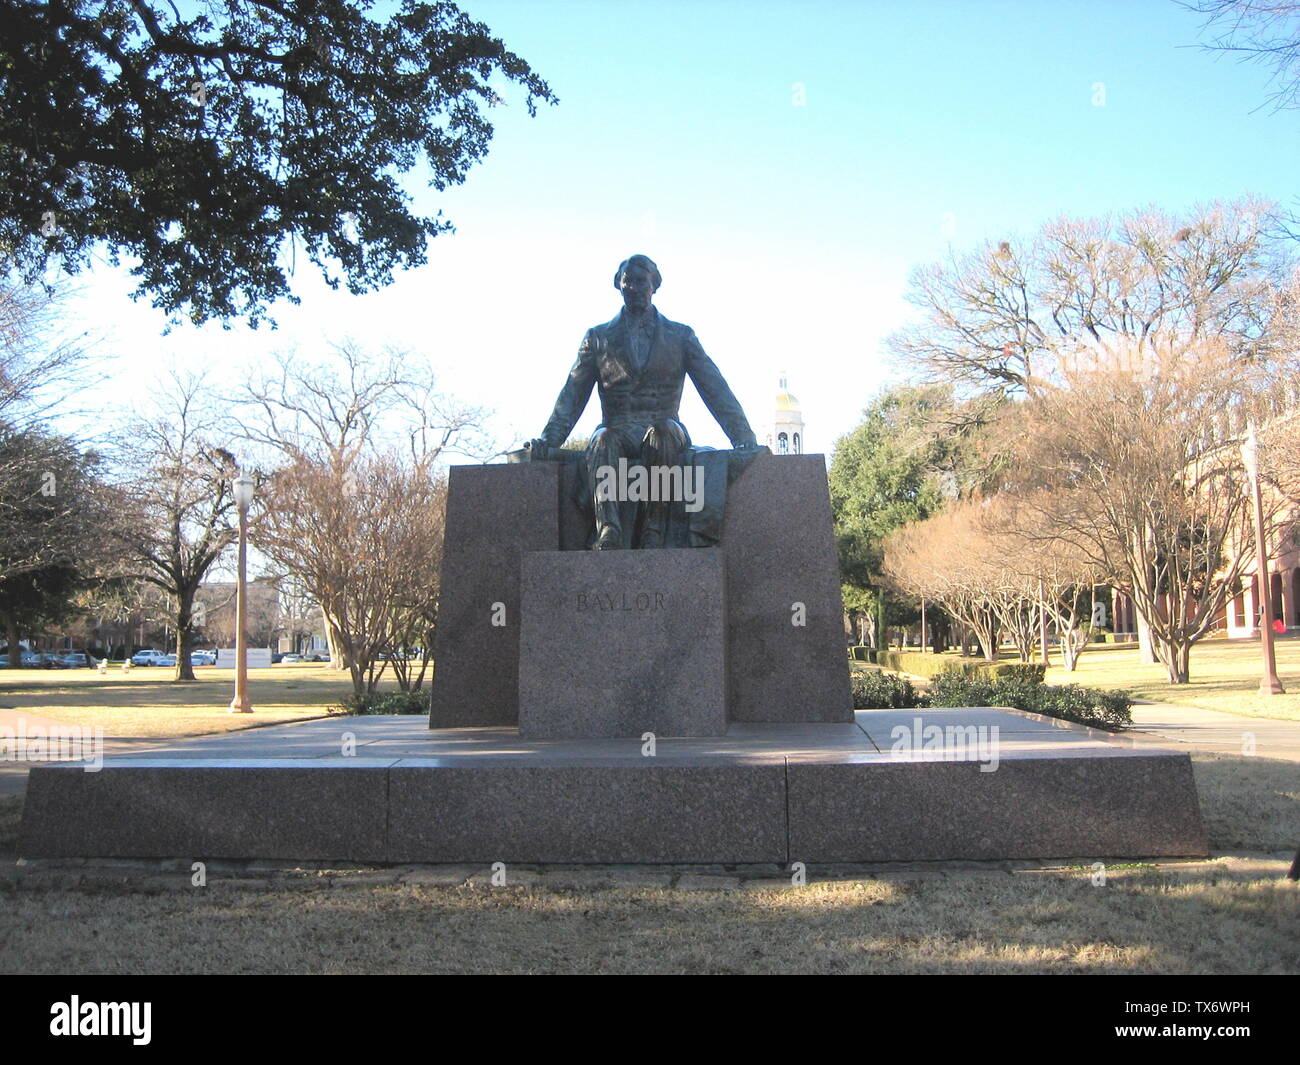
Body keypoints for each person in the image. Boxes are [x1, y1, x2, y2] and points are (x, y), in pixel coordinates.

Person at [532, 254, 757, 549]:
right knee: (601, 440)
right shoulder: (598, 337)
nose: (635, 288)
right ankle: (609, 530)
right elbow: (573, 394)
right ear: (619, 286)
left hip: (667, 429)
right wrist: (550, 440)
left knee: (661, 433)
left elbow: (715, 389)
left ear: (654, 286)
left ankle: (654, 528)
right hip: (618, 428)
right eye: (628, 282)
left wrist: (742, 436)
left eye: (641, 282)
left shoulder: (681, 335)